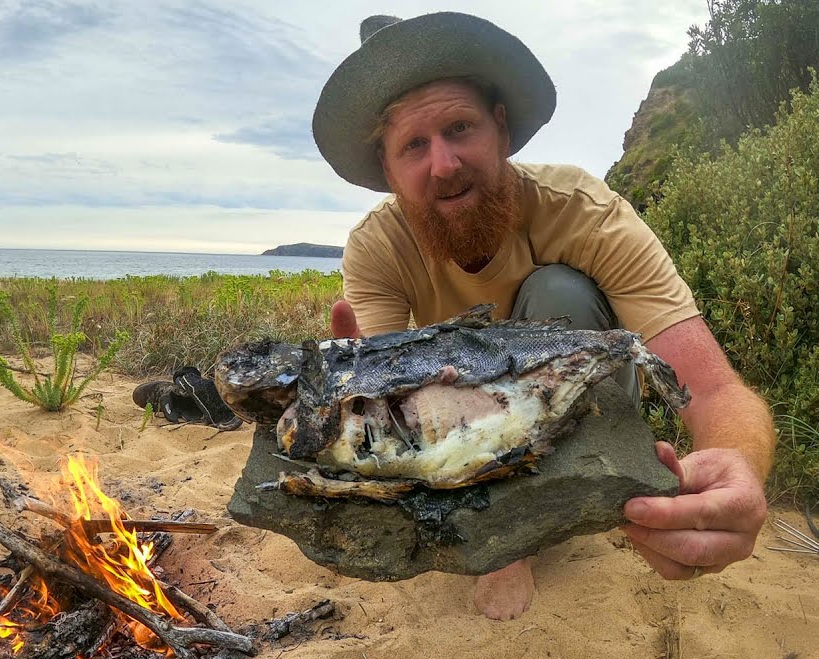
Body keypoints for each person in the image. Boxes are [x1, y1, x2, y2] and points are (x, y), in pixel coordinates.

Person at [311, 12, 774, 620]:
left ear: (500, 127)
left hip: (580, 431)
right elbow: (404, 415)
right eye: (414, 146)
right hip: (463, 436)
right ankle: (508, 541)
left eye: (460, 127)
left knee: (560, 290)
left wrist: (737, 463)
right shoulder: (378, 249)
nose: (444, 163)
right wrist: (343, 395)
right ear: (388, 171)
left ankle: (571, 499)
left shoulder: (583, 212)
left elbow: (711, 388)